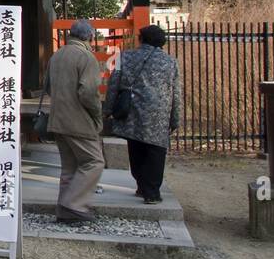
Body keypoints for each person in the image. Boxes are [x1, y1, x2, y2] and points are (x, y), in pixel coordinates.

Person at [105, 24, 182, 204]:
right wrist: (175, 119)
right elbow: (175, 93)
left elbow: (113, 85)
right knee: (156, 151)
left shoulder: (124, 57)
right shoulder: (170, 62)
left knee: (136, 146)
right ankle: (152, 192)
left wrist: (108, 109)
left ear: (141, 38)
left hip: (132, 110)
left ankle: (141, 184)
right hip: (159, 113)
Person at [44, 18, 105, 222]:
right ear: (89, 35)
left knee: (69, 166)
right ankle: (75, 205)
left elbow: (47, 86)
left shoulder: (57, 55)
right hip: (78, 120)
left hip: (58, 118)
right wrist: (97, 115)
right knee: (94, 162)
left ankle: (64, 209)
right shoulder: (86, 57)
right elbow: (88, 92)